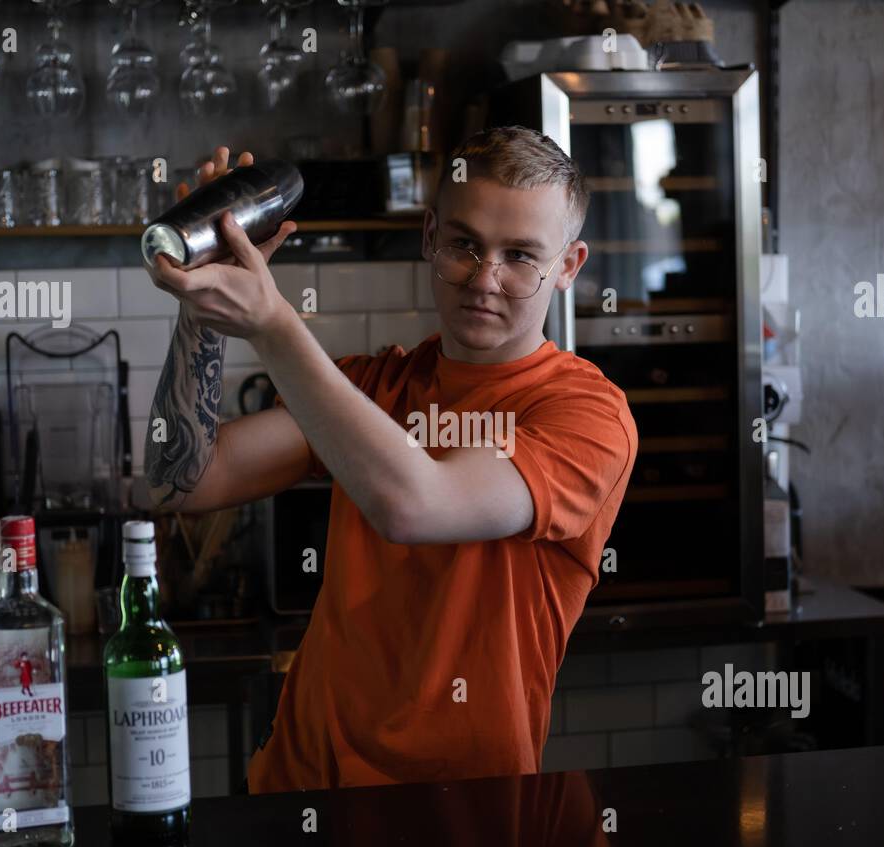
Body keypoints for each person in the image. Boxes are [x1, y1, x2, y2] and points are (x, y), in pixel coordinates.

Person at [143, 126, 637, 793]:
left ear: (569, 266)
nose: (485, 278)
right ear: (430, 236)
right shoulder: (377, 387)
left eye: (520, 255)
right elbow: (181, 480)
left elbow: (413, 505)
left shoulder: (587, 416)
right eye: (465, 243)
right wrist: (201, 305)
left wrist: (271, 322)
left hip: (458, 812)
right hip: (297, 793)